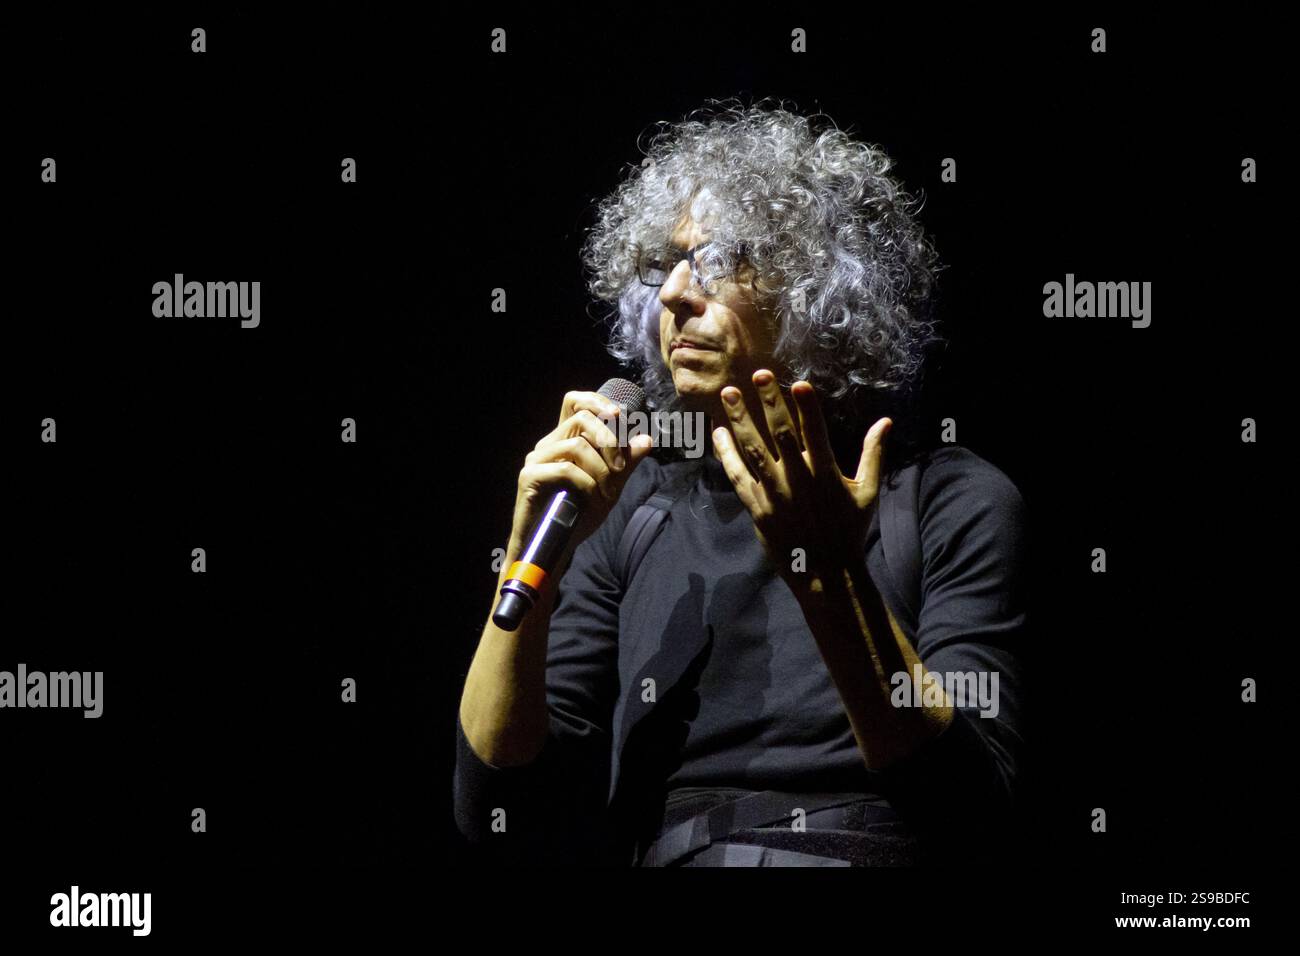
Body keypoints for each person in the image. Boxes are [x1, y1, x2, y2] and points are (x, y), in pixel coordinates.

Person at [455, 99, 1028, 866]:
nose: (674, 294)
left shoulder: (946, 499)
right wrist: (528, 558)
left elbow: (974, 810)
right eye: (665, 265)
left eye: (720, 260)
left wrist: (831, 575)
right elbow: (499, 811)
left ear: (822, 288)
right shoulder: (632, 513)